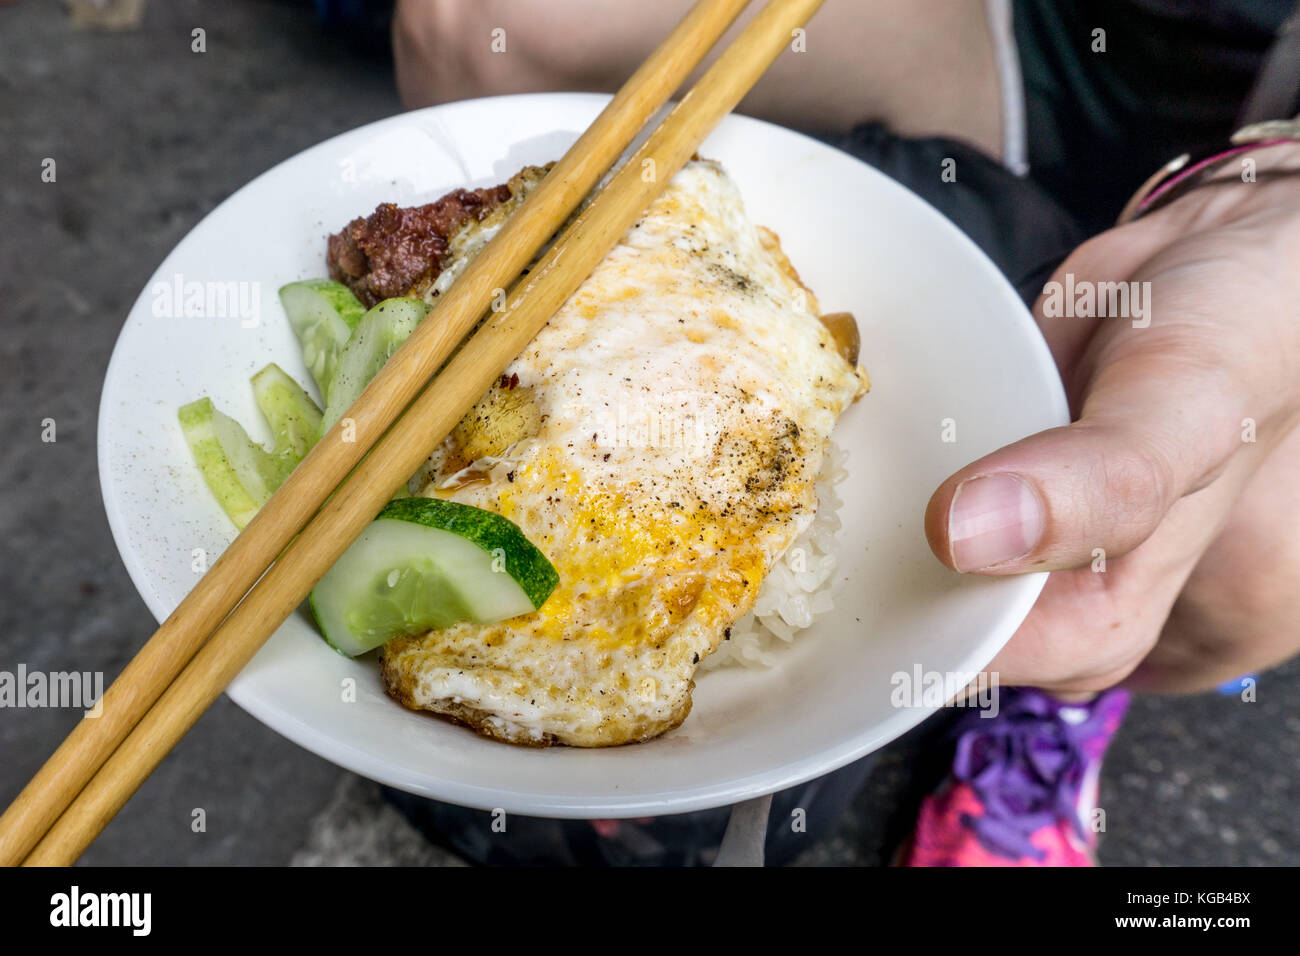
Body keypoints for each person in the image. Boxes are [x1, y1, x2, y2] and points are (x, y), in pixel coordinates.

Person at [382, 0, 1300, 865]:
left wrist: (1276, 192)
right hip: (1022, 32)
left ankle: (1057, 694)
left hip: (1258, 111)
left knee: (1258, 557)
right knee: (481, 18)